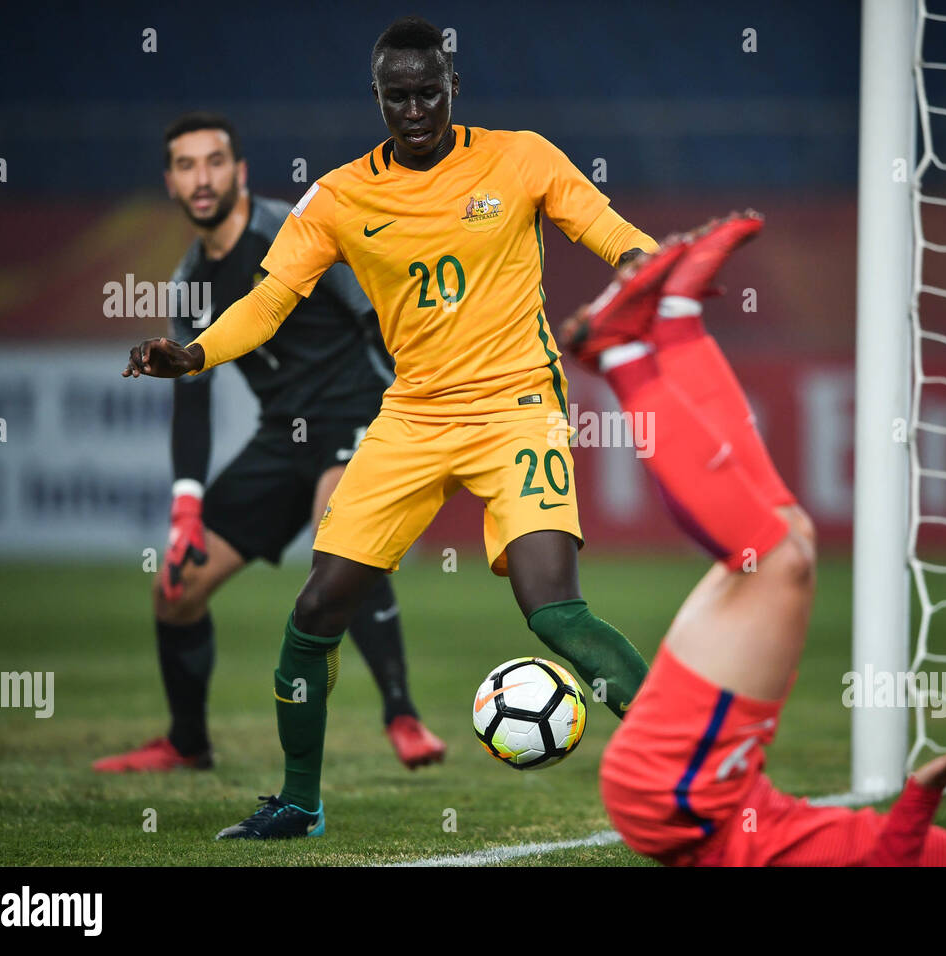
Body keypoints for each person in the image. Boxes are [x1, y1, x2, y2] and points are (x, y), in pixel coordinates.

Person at [121, 16, 658, 839]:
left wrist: (654, 274)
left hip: (518, 408)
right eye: (398, 96)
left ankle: (686, 764)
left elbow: (615, 238)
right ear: (376, 97)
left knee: (551, 610)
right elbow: (268, 302)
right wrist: (195, 355)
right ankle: (300, 804)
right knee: (316, 612)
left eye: (428, 92)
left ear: (453, 89)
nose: (415, 109)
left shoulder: (521, 157)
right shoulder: (338, 196)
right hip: (411, 415)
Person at [563, 212, 946, 867]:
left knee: (779, 559)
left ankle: (622, 352)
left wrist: (922, 795)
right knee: (787, 540)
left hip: (689, 805)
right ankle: (673, 321)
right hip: (708, 799)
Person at [98, 112, 444, 776]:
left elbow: (376, 317)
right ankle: (187, 742)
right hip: (281, 438)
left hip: (358, 416)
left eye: (215, 161)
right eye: (186, 165)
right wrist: (186, 507)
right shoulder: (189, 282)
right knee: (175, 588)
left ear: (240, 171)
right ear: (170, 183)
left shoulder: (298, 230)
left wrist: (416, 410)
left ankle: (402, 714)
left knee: (339, 531)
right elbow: (191, 398)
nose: (203, 177)